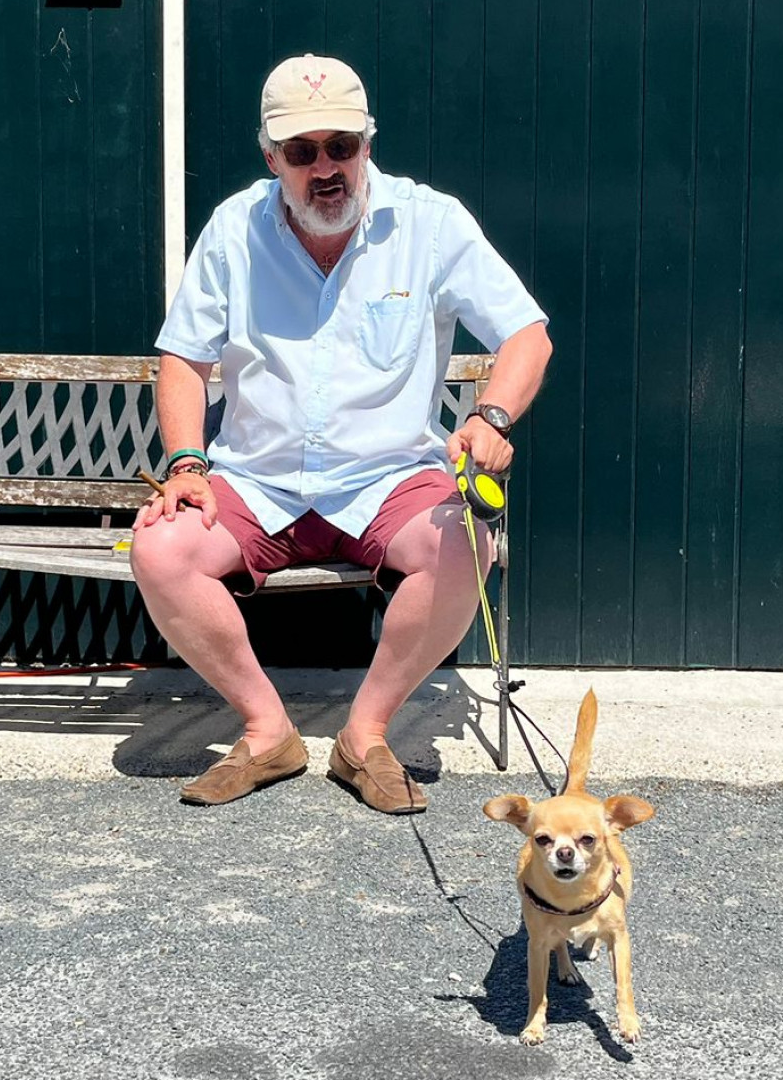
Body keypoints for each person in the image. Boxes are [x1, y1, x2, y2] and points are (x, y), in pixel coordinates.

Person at [130, 54, 552, 814]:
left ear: (368, 143)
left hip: (386, 478)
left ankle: (366, 735)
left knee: (467, 541)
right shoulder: (234, 229)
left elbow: (527, 334)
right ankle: (267, 733)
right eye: (302, 152)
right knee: (159, 546)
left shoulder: (430, 222)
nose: (326, 168)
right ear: (271, 158)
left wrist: (490, 416)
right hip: (257, 479)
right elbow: (183, 360)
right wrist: (188, 461)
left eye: (342, 146)